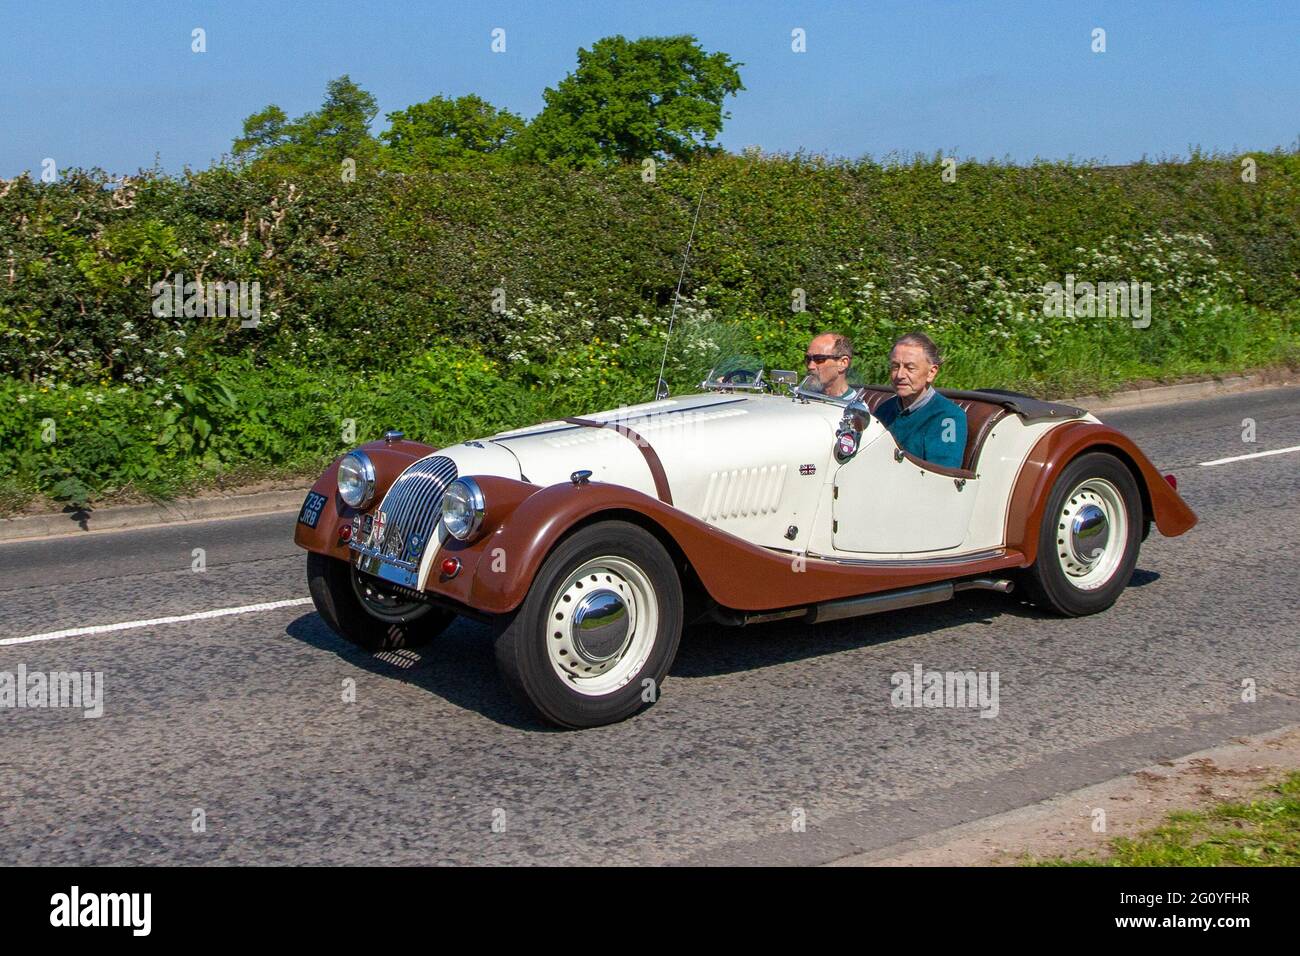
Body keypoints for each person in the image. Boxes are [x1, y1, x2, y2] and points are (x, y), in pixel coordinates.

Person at [874, 332, 967, 470]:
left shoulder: (948, 418)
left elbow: (942, 475)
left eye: (910, 368)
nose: (900, 375)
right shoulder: (884, 410)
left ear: (931, 372)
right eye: (895, 366)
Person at [803, 332, 855, 399]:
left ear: (843, 363)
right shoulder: (804, 397)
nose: (810, 366)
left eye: (819, 359)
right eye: (808, 359)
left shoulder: (853, 408)